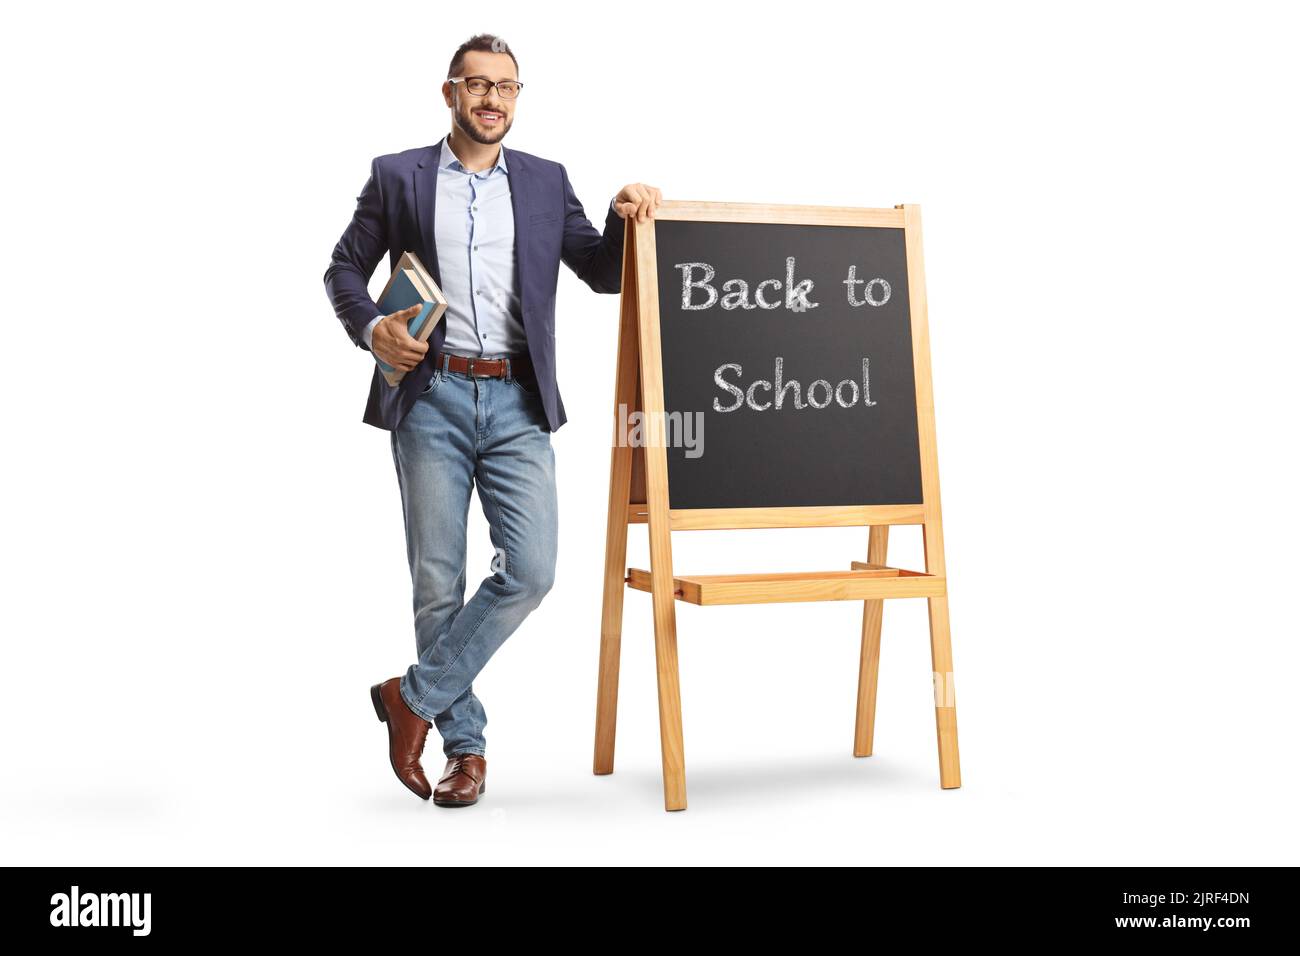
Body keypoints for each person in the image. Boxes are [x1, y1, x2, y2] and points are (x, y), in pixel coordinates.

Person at [323, 33, 662, 807]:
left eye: (506, 87)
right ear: (450, 94)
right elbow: (343, 266)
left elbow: (604, 273)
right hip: (430, 394)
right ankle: (464, 750)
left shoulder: (545, 182)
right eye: (477, 85)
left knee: (532, 570)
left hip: (517, 400)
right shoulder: (397, 176)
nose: (492, 99)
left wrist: (624, 211)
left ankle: (410, 697)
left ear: (518, 97)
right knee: (436, 582)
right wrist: (372, 324)